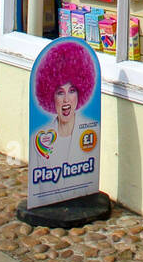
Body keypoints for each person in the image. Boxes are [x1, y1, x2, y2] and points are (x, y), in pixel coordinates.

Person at [32, 39, 98, 169]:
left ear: (80, 92)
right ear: (51, 95)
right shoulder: (40, 138)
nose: (66, 99)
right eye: (60, 93)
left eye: (72, 91)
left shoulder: (91, 129)